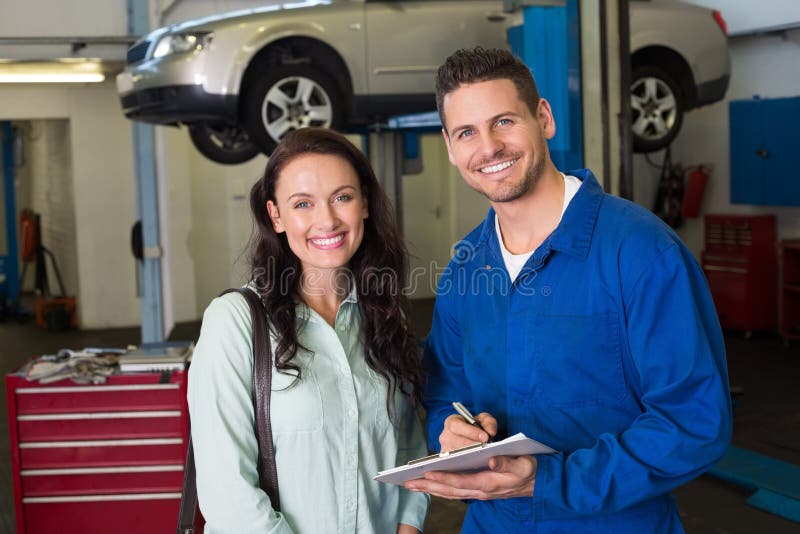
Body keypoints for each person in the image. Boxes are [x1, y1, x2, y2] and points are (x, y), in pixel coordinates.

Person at [406, 47, 732, 533]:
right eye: (467, 132)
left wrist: (545, 479)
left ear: (544, 118)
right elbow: (444, 391)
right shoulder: (466, 267)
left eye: (504, 121)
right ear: (451, 149)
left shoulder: (642, 252)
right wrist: (450, 432)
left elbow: (693, 423)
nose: (489, 148)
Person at [188, 127, 430, 533]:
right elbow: (228, 493)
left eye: (342, 197)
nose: (328, 220)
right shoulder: (235, 322)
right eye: (303, 203)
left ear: (364, 203)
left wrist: (409, 524)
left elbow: (408, 447)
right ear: (276, 216)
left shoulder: (384, 318)